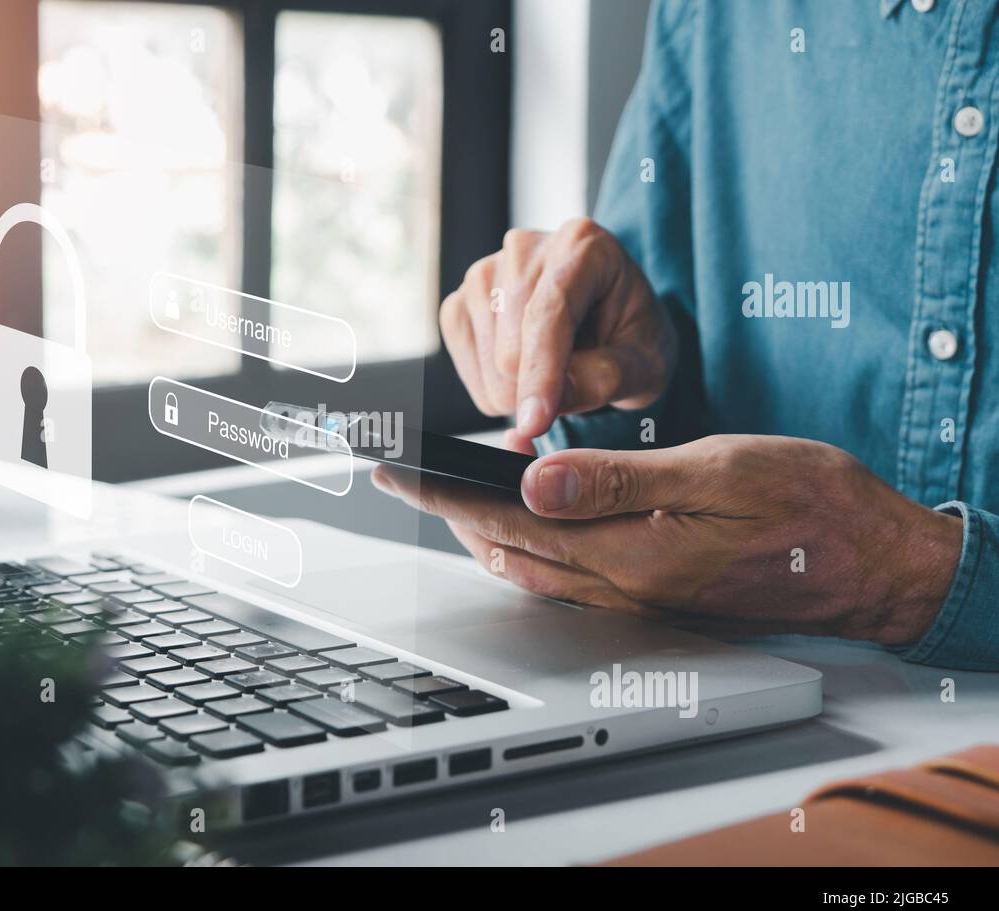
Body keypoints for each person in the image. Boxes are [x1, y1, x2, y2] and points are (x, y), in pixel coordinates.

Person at [373, 0, 999, 669]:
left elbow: (892, 570)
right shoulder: (713, 14)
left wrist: (902, 575)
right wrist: (611, 381)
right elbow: (652, 382)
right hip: (731, 703)